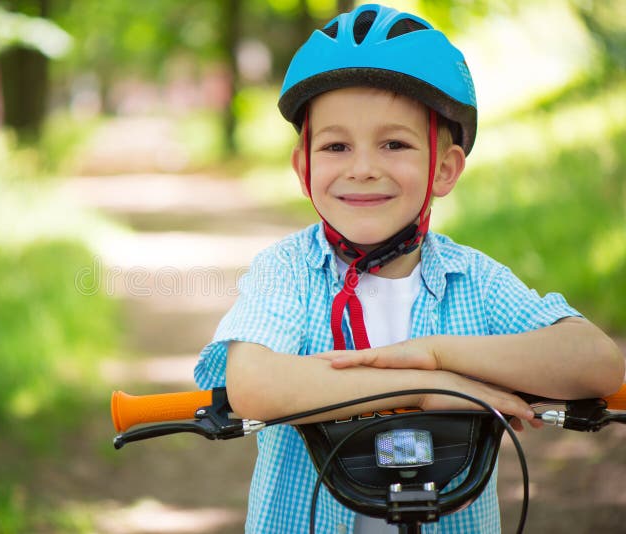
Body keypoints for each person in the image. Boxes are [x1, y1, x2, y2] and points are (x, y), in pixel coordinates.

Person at [194, 4, 624, 533]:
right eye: (336, 145)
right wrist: (425, 387)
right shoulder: (288, 271)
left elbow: (597, 364)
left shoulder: (472, 280)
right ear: (304, 167)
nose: (364, 168)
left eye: (394, 143)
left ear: (443, 168)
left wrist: (441, 354)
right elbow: (255, 385)